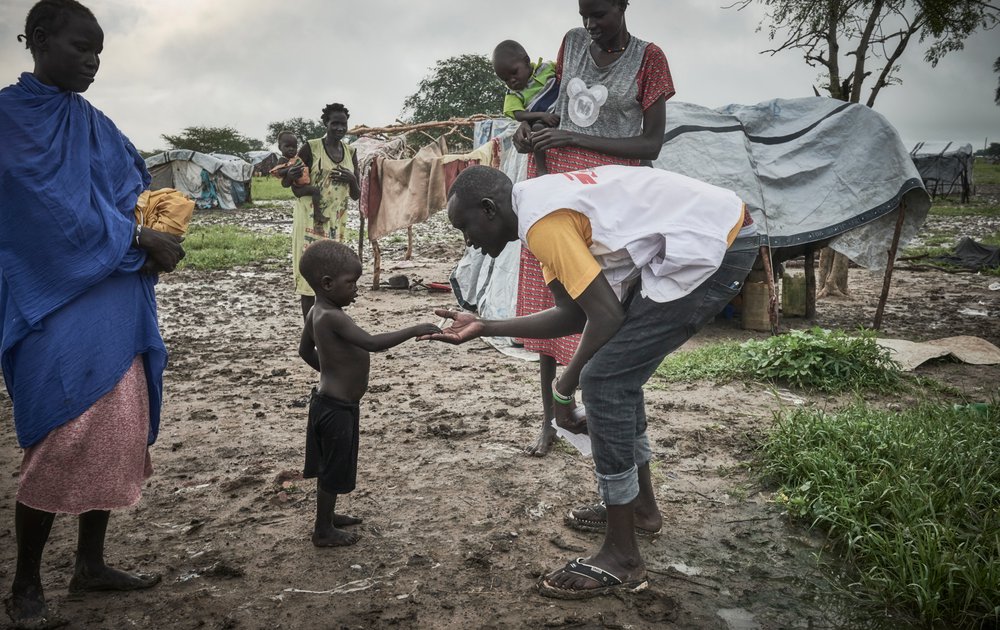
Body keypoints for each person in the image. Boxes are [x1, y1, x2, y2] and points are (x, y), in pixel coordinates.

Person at [427, 164, 759, 598]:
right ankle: (640, 509)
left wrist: (563, 390)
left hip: (718, 244)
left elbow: (605, 316)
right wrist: (484, 325)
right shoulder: (535, 213)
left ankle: (622, 557)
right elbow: (574, 313)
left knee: (605, 381)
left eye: (465, 228)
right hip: (713, 232)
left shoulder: (542, 221)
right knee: (613, 375)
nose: (466, 241)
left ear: (488, 209)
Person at [0, 1, 185, 627]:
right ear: (40, 39)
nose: (93, 61)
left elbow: (127, 192)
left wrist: (156, 222)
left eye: (100, 51)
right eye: (82, 47)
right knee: (61, 434)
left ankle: (91, 564)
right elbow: (42, 212)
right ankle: (25, 583)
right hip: (49, 299)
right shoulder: (7, 120)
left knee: (115, 432)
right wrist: (135, 240)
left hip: (114, 296)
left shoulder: (96, 123)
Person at [511, 0, 676, 458]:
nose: (590, 24)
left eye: (600, 14)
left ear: (623, 5)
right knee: (553, 297)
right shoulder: (572, 43)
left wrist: (572, 137)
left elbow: (652, 143)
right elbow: (557, 110)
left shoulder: (650, 58)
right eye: (585, 13)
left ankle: (599, 419)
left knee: (606, 305)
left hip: (611, 200)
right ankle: (548, 419)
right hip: (554, 184)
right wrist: (533, 133)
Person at [297, 240, 439, 547]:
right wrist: (414, 329)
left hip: (327, 401)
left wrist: (330, 371)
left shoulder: (315, 312)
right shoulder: (333, 316)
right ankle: (323, 530)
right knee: (333, 468)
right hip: (337, 408)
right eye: (351, 284)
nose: (356, 290)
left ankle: (328, 517)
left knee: (329, 466)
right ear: (327, 283)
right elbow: (372, 343)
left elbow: (304, 351)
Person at [289, 103, 361, 319]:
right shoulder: (311, 148)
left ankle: (327, 325)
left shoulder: (351, 152)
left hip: (336, 222)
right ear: (326, 124)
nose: (339, 128)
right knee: (310, 277)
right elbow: (295, 187)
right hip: (311, 220)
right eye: (335, 123)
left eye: (343, 124)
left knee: (333, 276)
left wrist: (352, 179)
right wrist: (312, 192)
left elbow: (356, 194)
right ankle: (310, 332)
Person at [492, 39, 560, 174]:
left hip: (563, 110)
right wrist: (542, 115)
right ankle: (541, 169)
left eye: (514, 72)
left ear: (526, 61)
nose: (511, 80)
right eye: (505, 79)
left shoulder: (547, 68)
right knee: (536, 130)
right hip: (542, 120)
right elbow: (519, 115)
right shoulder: (513, 94)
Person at [271, 130, 323, 223]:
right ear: (280, 147)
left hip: (302, 184)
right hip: (298, 188)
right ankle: (317, 213)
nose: (291, 149)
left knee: (316, 190)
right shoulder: (282, 160)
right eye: (287, 146)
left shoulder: (295, 159)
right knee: (315, 191)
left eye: (294, 147)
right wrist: (290, 169)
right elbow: (280, 171)